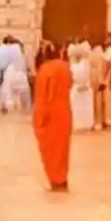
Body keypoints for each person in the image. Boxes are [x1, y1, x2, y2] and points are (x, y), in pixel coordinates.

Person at [32, 42, 72, 193]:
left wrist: (39, 120)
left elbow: (43, 97)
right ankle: (62, 178)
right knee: (63, 148)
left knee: (51, 149)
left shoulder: (45, 70)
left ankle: (56, 180)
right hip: (65, 112)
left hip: (51, 114)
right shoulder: (64, 67)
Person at [68, 41, 95, 132]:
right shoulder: (86, 64)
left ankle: (79, 124)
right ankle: (86, 124)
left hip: (77, 88)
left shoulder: (75, 65)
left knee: (78, 108)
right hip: (85, 88)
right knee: (85, 108)